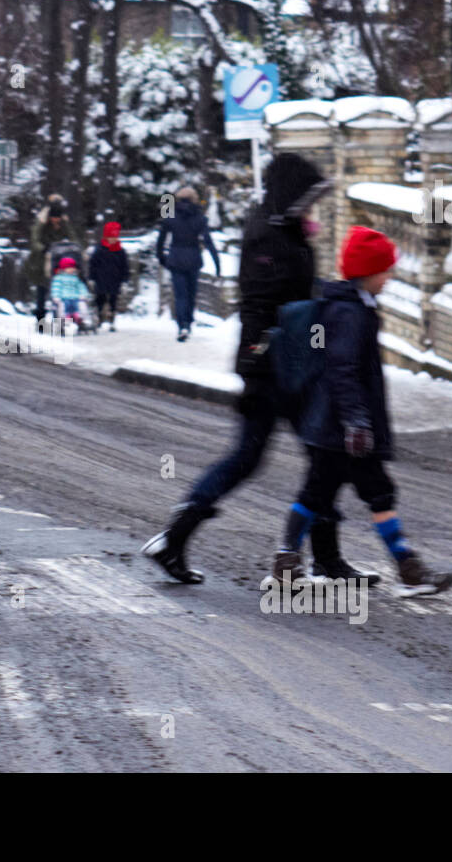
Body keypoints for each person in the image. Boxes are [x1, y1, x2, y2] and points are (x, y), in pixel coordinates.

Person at [143, 153, 362, 584]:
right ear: (291, 195)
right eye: (308, 199)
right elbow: (260, 306)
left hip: (292, 365)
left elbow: (292, 294)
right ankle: (175, 537)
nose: (313, 209)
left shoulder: (284, 228)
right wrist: (259, 367)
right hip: (275, 369)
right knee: (273, 456)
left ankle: (326, 557)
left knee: (319, 456)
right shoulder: (268, 235)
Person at [271, 226, 452, 597]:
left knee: (332, 493)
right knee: (360, 493)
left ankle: (288, 562)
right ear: (368, 273)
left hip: (337, 426)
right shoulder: (350, 312)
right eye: (385, 271)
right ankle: (407, 570)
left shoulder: (354, 307)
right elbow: (343, 371)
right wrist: (356, 422)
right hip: (343, 429)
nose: (389, 277)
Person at [156, 185, 220, 341]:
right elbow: (208, 242)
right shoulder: (200, 218)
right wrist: (217, 264)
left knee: (180, 295)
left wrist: (162, 258)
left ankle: (182, 326)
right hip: (193, 259)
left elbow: (160, 241)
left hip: (176, 259)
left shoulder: (170, 216)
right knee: (191, 294)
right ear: (194, 199)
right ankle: (188, 323)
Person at [27, 193, 70, 325]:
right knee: (41, 293)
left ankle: (59, 321)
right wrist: (42, 248)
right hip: (42, 263)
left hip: (58, 261)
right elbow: (35, 239)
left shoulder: (63, 220)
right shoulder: (41, 221)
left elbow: (70, 234)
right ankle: (40, 321)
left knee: (59, 293)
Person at [89, 220, 129, 331]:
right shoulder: (99, 250)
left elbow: (125, 266)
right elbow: (93, 264)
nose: (113, 239)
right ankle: (99, 317)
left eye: (115, 237)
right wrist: (92, 278)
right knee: (100, 299)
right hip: (100, 279)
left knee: (113, 300)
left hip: (115, 279)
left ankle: (111, 319)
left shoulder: (121, 251)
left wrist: (125, 280)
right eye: (111, 236)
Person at [50, 256, 90, 323]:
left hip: (75, 297)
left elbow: (81, 287)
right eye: (69, 268)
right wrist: (56, 297)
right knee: (63, 307)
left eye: (72, 267)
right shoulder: (59, 278)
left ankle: (79, 317)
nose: (71, 269)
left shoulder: (76, 278)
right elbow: (56, 288)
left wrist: (84, 295)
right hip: (64, 297)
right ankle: (65, 318)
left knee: (80, 305)